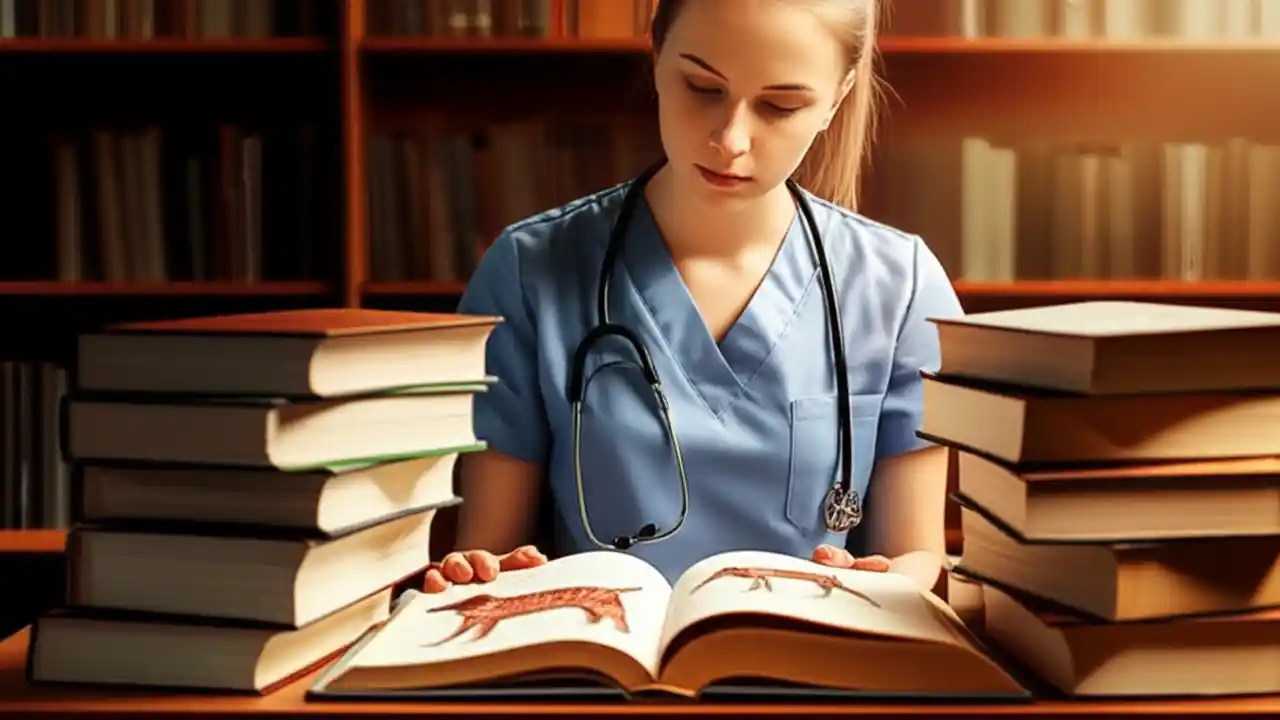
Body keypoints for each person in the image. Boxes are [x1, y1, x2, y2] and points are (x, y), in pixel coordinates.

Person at [424, 0, 964, 595]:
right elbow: (487, 555)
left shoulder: (899, 286)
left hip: (817, 672)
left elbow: (916, 554)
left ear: (838, 97)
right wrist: (481, 573)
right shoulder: (527, 272)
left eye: (780, 106)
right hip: (601, 669)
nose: (731, 139)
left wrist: (888, 579)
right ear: (656, 58)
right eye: (702, 87)